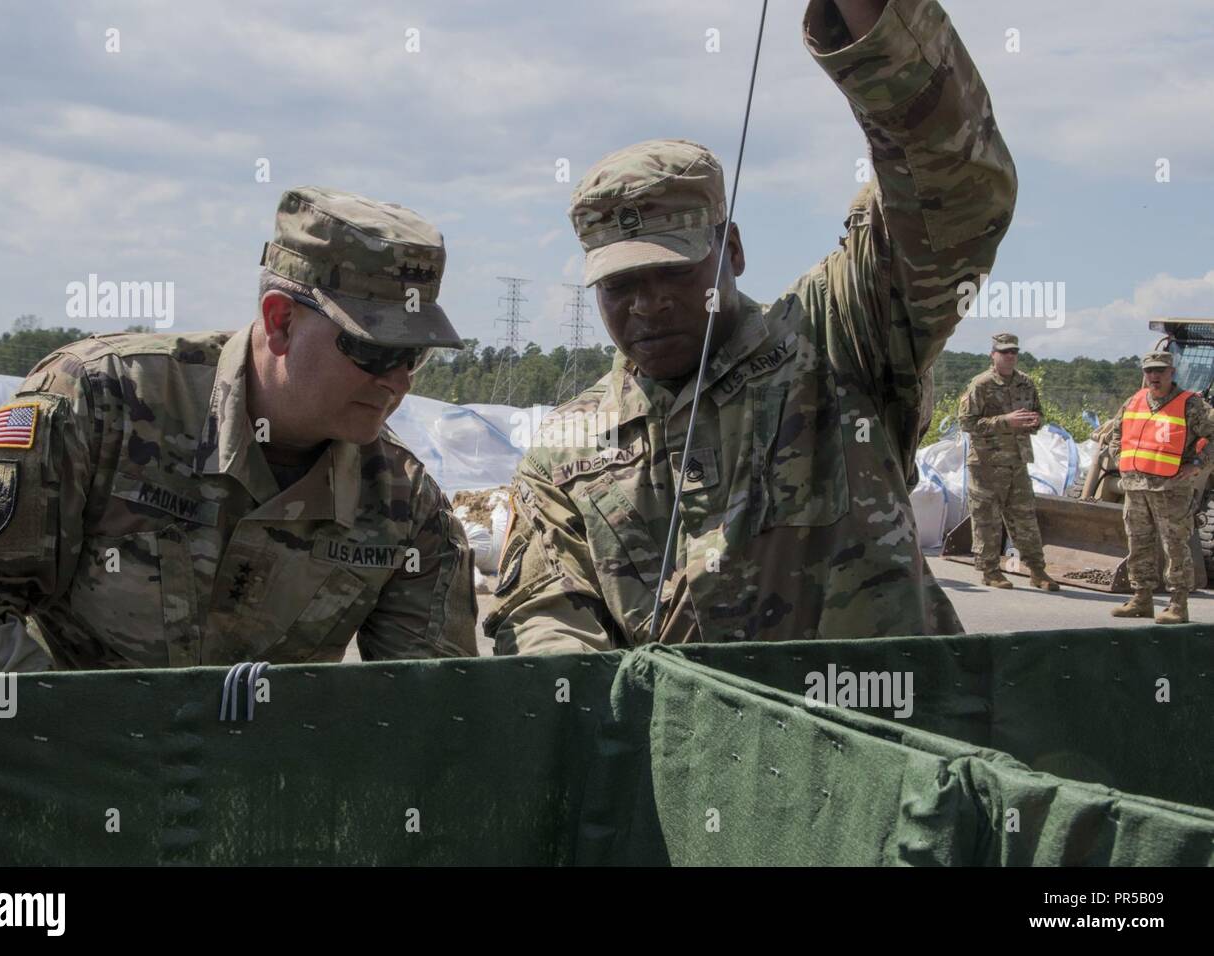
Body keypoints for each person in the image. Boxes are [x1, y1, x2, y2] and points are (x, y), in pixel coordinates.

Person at [485, 0, 1017, 654]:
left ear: (731, 249)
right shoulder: (566, 453)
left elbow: (953, 182)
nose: (648, 306)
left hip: (881, 744)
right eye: (621, 286)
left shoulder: (834, 339)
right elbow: (548, 628)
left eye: (675, 274)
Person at [0, 187, 478, 671]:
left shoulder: (406, 503)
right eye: (374, 350)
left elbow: (424, 707)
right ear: (280, 321)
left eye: (415, 355)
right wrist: (76, 739)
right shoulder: (102, 402)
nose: (399, 381)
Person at [1108, 350, 1214, 624]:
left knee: (1175, 546)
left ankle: (1178, 603)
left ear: (1171, 373)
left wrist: (1198, 464)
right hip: (1136, 487)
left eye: (1160, 371)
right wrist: (1120, 458)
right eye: (1150, 371)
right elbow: (1117, 433)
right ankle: (1141, 598)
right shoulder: (1134, 400)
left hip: (1172, 489)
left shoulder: (1190, 404)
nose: (1154, 376)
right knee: (1138, 543)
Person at [957, 333, 1058, 590]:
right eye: (1004, 352)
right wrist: (1006, 421)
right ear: (993, 355)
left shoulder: (1026, 383)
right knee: (987, 519)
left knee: (1025, 518)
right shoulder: (980, 385)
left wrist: (1036, 421)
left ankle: (1037, 571)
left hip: (1017, 461)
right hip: (986, 465)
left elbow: (1039, 413)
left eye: (1013, 351)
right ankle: (990, 571)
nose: (1010, 356)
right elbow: (967, 423)